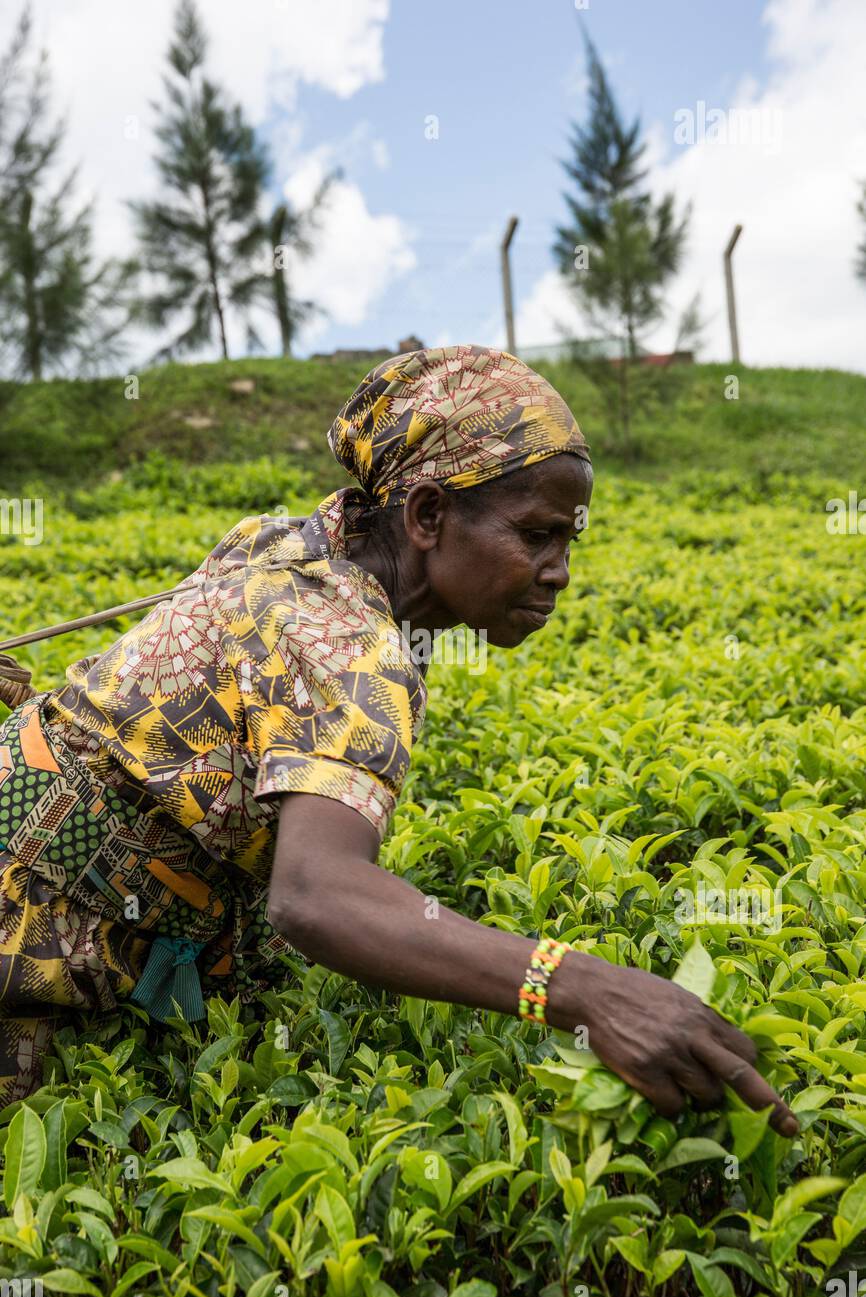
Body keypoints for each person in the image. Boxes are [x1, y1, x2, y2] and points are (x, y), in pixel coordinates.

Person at [0, 343, 798, 1139]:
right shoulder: (352, 644)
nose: (558, 571)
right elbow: (316, 896)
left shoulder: (296, 543)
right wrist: (582, 987)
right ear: (425, 516)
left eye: (569, 541)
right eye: (536, 534)